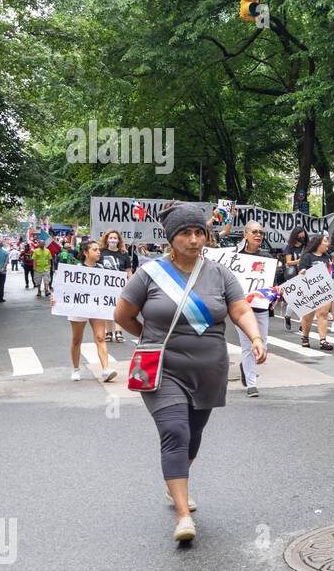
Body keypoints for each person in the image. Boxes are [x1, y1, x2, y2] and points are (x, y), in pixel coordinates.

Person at [115, 203, 268, 543]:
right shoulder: (149, 274)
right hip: (163, 368)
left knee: (194, 433)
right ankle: (183, 516)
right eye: (186, 233)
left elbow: (239, 308)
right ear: (171, 238)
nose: (195, 239)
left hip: (208, 369)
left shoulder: (219, 273)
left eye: (200, 232)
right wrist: (149, 338)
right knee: (175, 430)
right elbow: (122, 315)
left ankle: (176, 482)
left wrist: (255, 336)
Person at [50, 240, 118, 382]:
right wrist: (55, 299)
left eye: (99, 249)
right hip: (78, 308)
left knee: (100, 337)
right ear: (86, 253)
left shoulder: (103, 269)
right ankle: (76, 369)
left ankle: (105, 369)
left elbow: (110, 289)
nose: (98, 251)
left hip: (96, 308)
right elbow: (62, 288)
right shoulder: (75, 269)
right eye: (94, 249)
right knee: (77, 339)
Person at [235, 220, 275, 396]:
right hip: (241, 308)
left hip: (261, 307)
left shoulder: (267, 257)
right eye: (254, 232)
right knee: (247, 346)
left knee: (261, 344)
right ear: (246, 234)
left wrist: (274, 295)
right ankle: (252, 384)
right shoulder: (235, 256)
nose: (258, 235)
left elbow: (273, 283)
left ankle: (246, 365)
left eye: (260, 232)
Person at [297, 233, 334, 351]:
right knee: (308, 315)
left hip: (323, 288)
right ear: (318, 243)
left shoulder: (327, 257)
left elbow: (331, 271)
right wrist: (303, 272)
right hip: (309, 289)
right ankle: (305, 337)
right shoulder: (307, 257)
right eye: (325, 241)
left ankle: (323, 340)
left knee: (323, 313)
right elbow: (300, 272)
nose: (327, 243)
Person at [97, 230, 137, 343]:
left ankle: (118, 332)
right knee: (107, 309)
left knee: (119, 309)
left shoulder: (123, 253)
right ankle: (108, 332)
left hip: (120, 287)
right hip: (104, 286)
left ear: (119, 240)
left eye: (115, 238)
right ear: (106, 239)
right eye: (111, 237)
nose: (113, 240)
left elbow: (128, 271)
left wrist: (133, 283)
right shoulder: (101, 252)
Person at [279, 227, 308, 331]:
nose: (302, 238)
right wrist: (300, 260)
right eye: (300, 236)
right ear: (295, 236)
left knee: (305, 300)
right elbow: (288, 262)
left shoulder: (307, 246)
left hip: (304, 275)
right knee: (293, 300)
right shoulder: (290, 247)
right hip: (293, 275)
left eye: (303, 236)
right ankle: (287, 316)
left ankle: (302, 324)